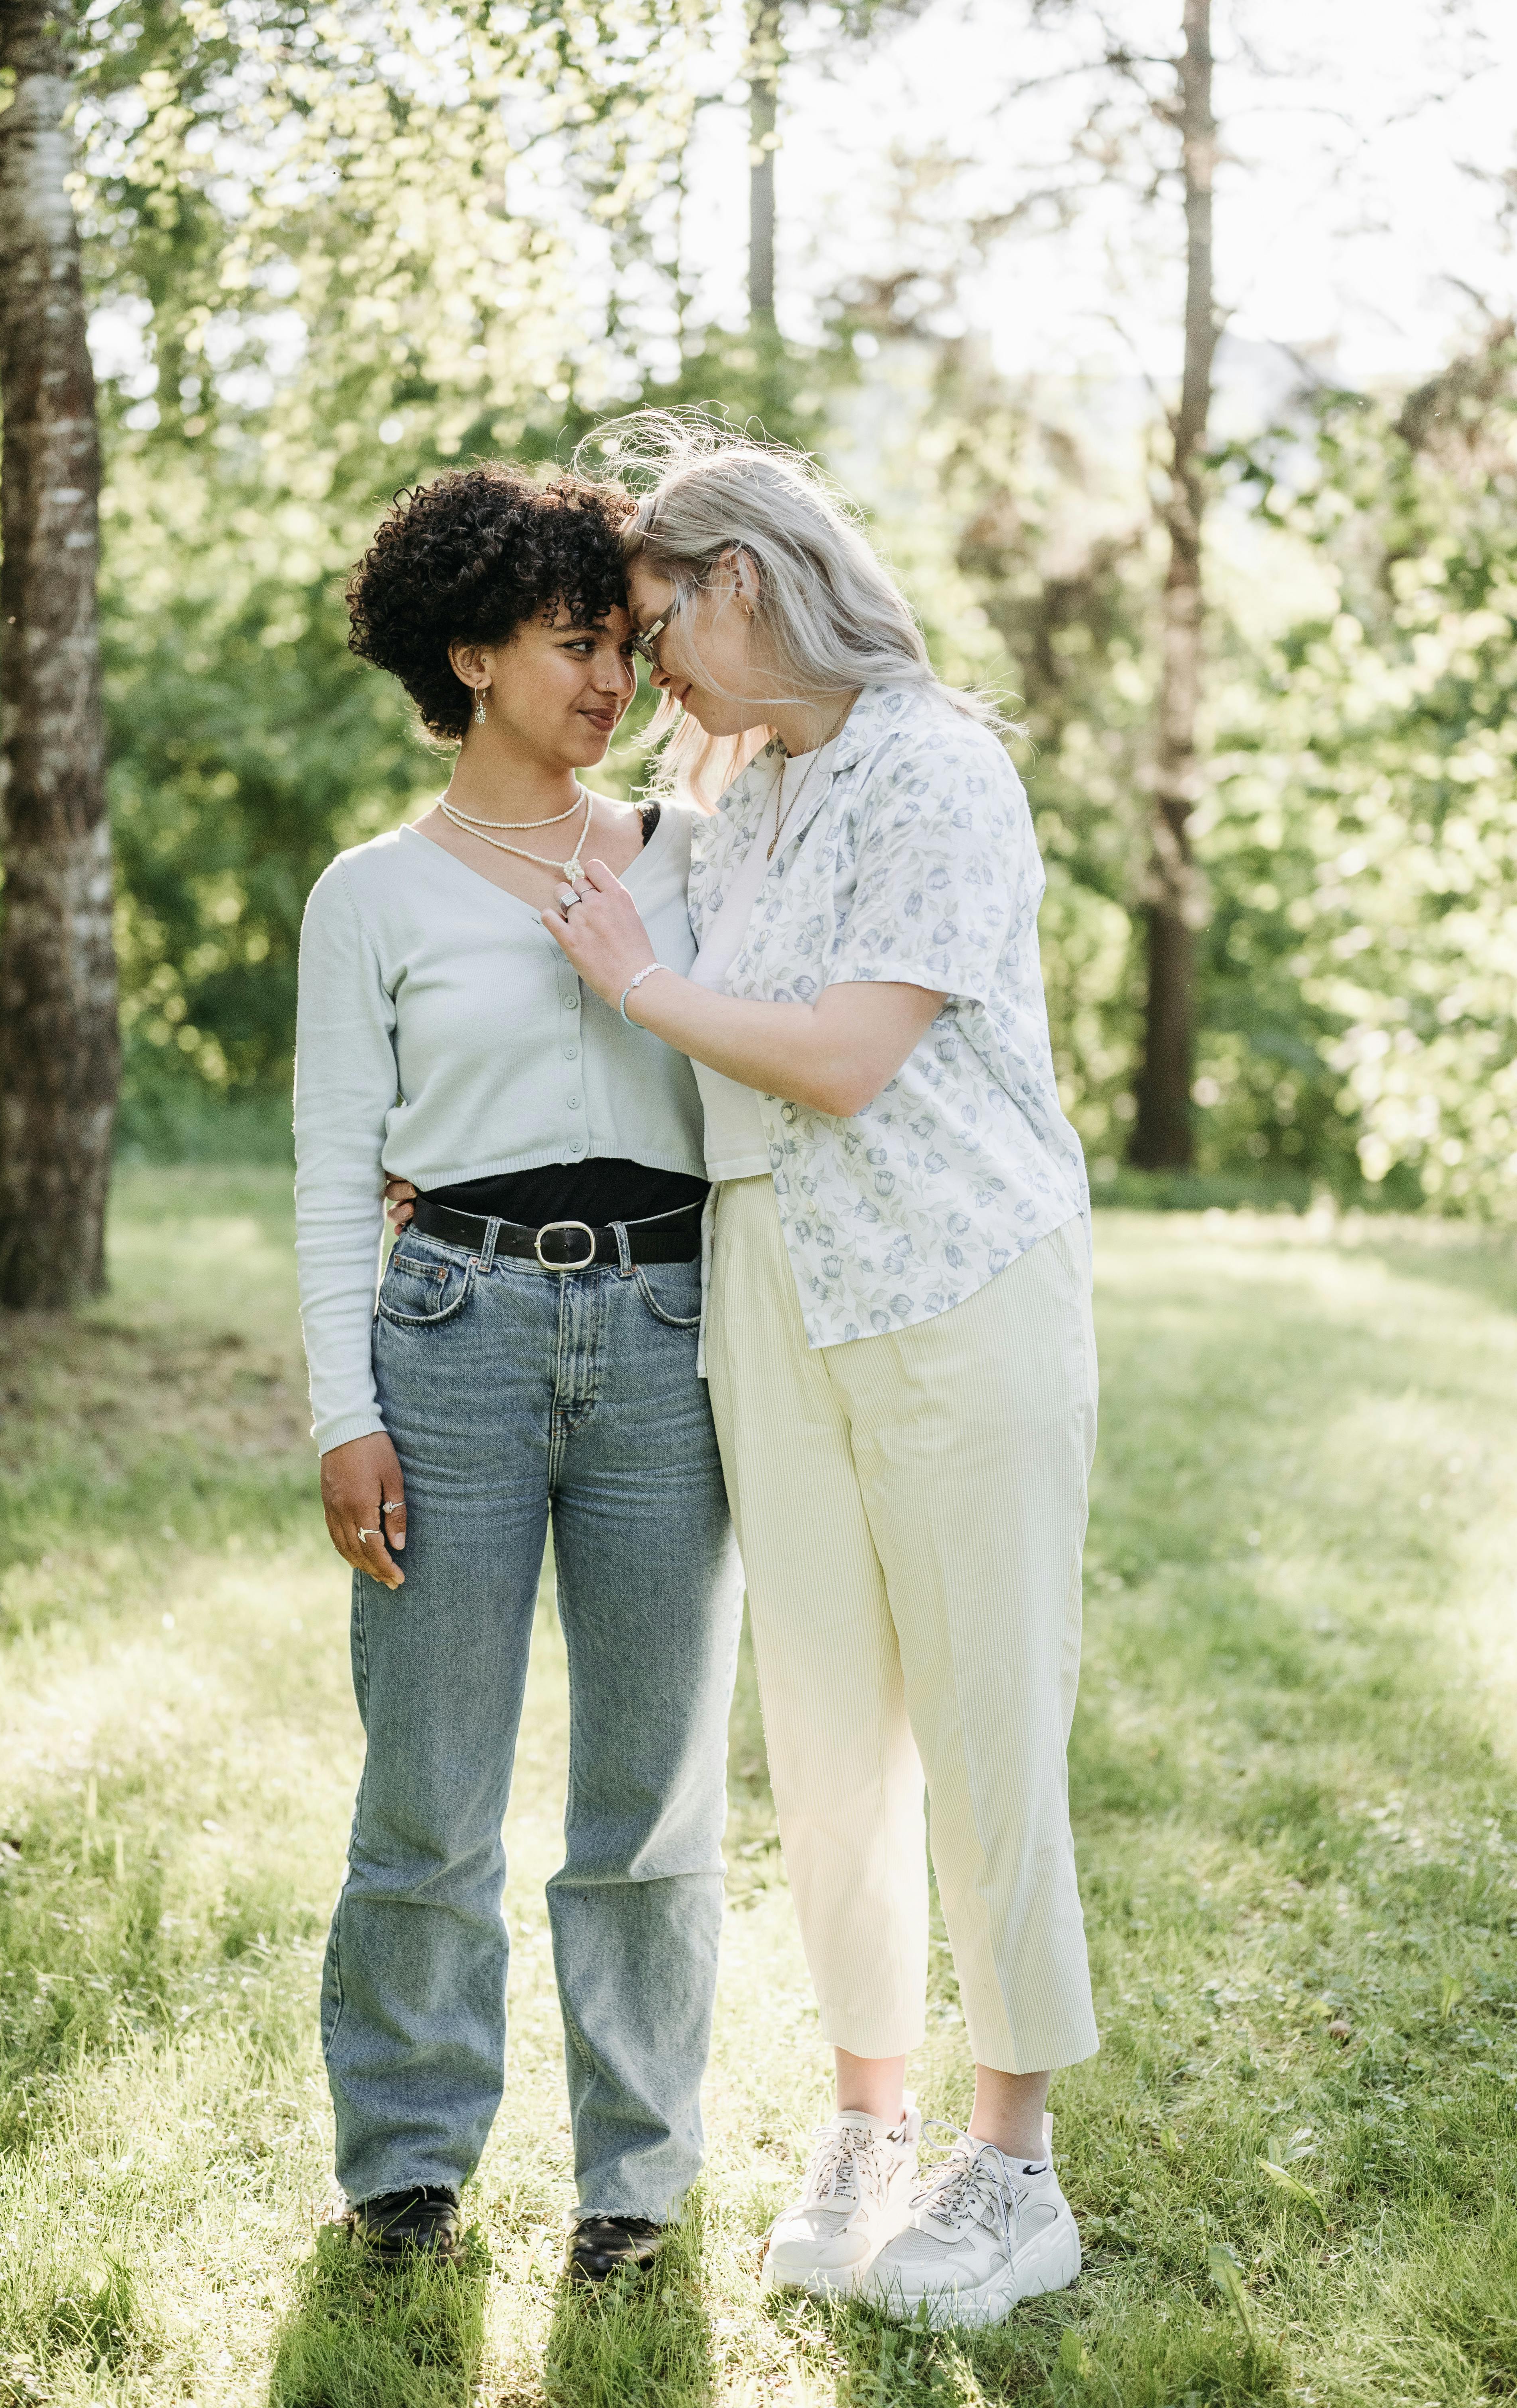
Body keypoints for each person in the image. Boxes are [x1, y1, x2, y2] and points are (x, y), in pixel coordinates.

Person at [545, 417, 1100, 2331]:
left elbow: (850, 1053)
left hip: (955, 1283)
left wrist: (639, 979)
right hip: (768, 1284)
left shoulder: (939, 769)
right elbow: (554, 861)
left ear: (743, 584)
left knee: (982, 1723)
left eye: (654, 621)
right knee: (831, 1736)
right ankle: (867, 2124)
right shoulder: (751, 792)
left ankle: (1011, 2163)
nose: (643, 674)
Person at [293, 462, 740, 2282]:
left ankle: (632, 2182)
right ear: (469, 655)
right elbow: (335, 1168)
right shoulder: (370, 894)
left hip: (662, 1337)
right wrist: (344, 1407)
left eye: (621, 647)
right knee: (429, 1787)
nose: (612, 681)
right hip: (452, 1340)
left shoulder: (693, 853)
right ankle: (406, 2163)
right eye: (574, 646)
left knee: (646, 1801)